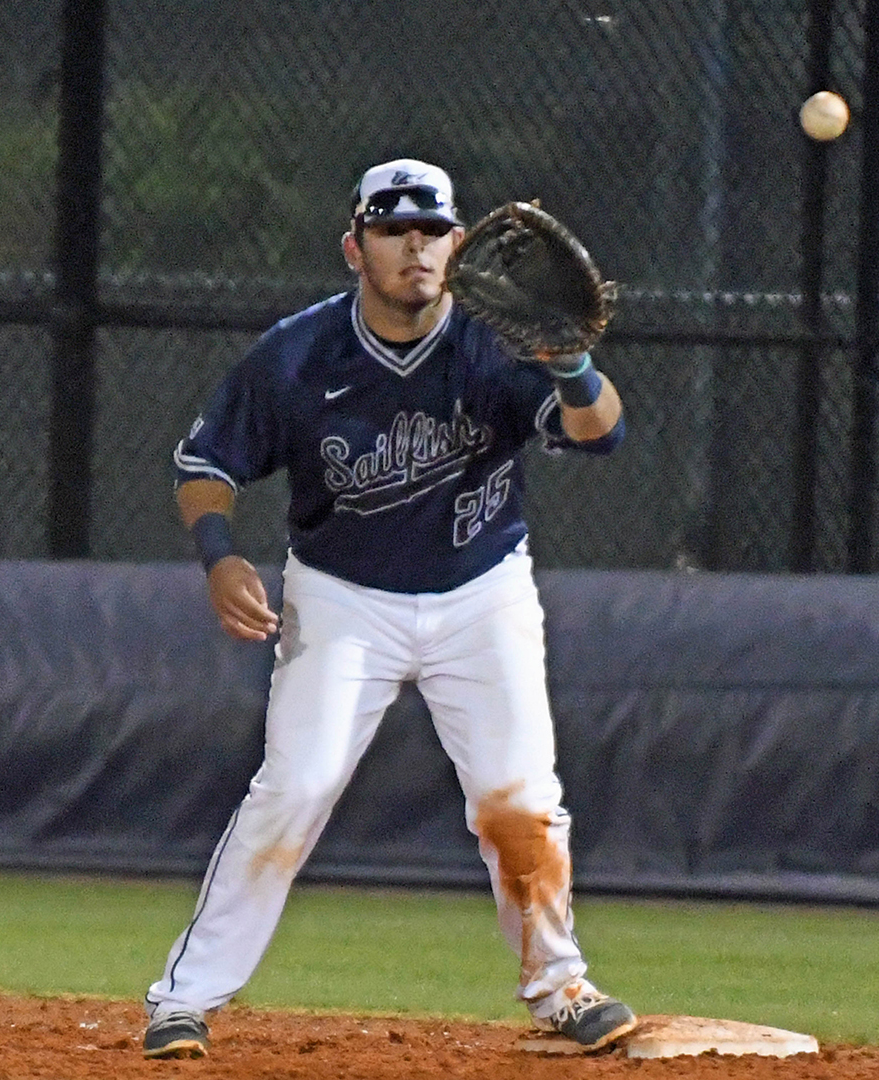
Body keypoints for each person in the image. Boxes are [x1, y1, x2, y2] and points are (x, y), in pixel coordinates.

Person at [142, 158, 636, 1060]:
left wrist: (573, 365)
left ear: (457, 243)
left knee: (518, 803)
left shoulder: (496, 342)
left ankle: (561, 989)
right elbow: (204, 465)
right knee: (295, 787)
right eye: (393, 228)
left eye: (434, 230)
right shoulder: (297, 356)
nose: (416, 246)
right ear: (354, 247)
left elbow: (602, 434)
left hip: (480, 593)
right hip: (342, 599)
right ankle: (184, 999)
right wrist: (218, 557)